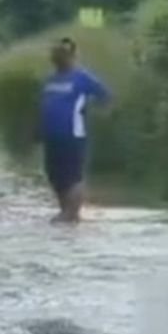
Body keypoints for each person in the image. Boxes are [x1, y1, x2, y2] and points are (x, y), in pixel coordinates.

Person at [39, 38, 109, 223]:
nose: (59, 57)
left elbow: (105, 95)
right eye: (57, 53)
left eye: (64, 53)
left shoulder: (82, 78)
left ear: (72, 56)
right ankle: (65, 211)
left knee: (73, 175)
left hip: (73, 135)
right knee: (54, 174)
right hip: (51, 136)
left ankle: (72, 213)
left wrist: (94, 111)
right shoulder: (49, 80)